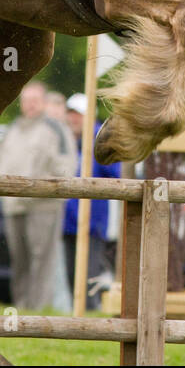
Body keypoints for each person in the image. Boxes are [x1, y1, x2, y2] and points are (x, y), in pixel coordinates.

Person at [0, 81, 78, 310]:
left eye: (35, 101)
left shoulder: (57, 129)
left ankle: (38, 309)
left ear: (44, 102)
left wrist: (47, 177)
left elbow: (68, 165)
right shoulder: (14, 128)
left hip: (43, 205)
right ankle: (21, 305)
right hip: (13, 204)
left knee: (41, 259)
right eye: (26, 100)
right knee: (19, 260)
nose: (30, 105)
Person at [61, 93, 120, 310]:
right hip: (69, 220)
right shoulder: (69, 139)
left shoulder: (100, 140)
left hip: (92, 220)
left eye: (78, 115)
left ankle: (91, 311)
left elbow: (117, 173)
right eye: (72, 114)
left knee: (89, 273)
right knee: (71, 273)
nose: (73, 119)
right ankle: (79, 312)